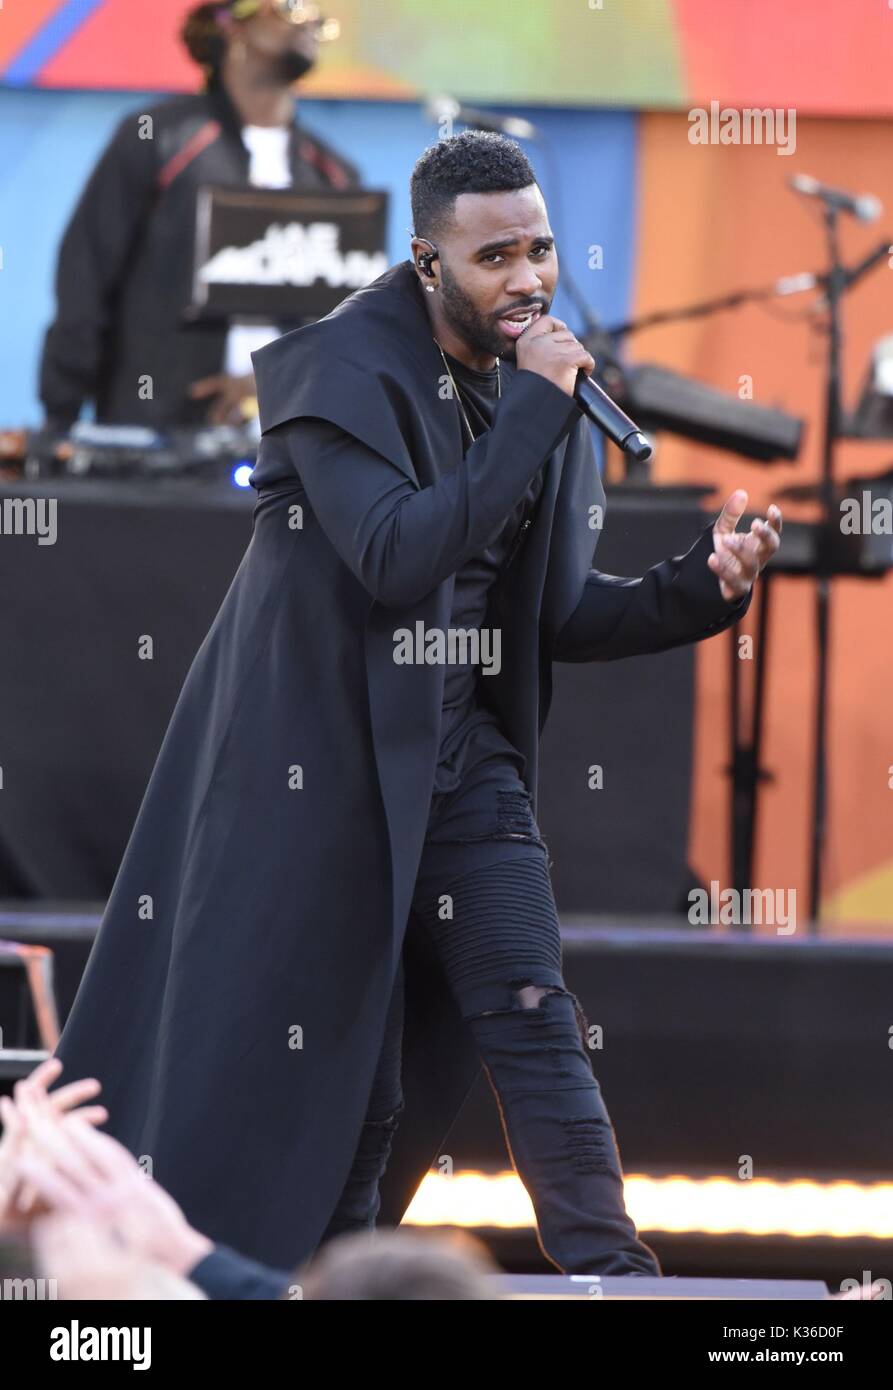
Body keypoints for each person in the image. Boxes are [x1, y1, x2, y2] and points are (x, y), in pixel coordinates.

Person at [52, 130, 782, 1275]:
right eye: (495, 257)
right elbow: (397, 557)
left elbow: (548, 616)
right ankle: (310, 1279)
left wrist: (696, 589)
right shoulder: (338, 371)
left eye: (538, 250)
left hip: (460, 763)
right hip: (330, 768)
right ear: (427, 262)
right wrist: (539, 414)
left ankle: (614, 1275)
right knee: (353, 1078)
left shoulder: (533, 389)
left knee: (532, 1007)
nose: (528, 279)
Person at [38, 0, 359, 432]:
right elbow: (87, 275)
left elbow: (349, 326)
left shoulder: (334, 174)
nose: (308, 22)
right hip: (157, 432)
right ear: (230, 24)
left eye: (314, 15)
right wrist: (61, 416)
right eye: (286, 7)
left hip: (294, 439)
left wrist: (271, 383)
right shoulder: (158, 138)